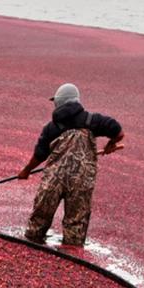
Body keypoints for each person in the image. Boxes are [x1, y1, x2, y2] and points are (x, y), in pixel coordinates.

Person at [18, 83, 124, 246]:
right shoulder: (92, 121)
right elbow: (119, 132)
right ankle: (72, 253)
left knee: (38, 222)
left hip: (53, 181)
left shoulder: (51, 128)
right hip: (81, 182)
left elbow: (39, 155)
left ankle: (34, 242)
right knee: (76, 225)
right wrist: (110, 144)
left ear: (58, 102)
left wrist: (26, 171)